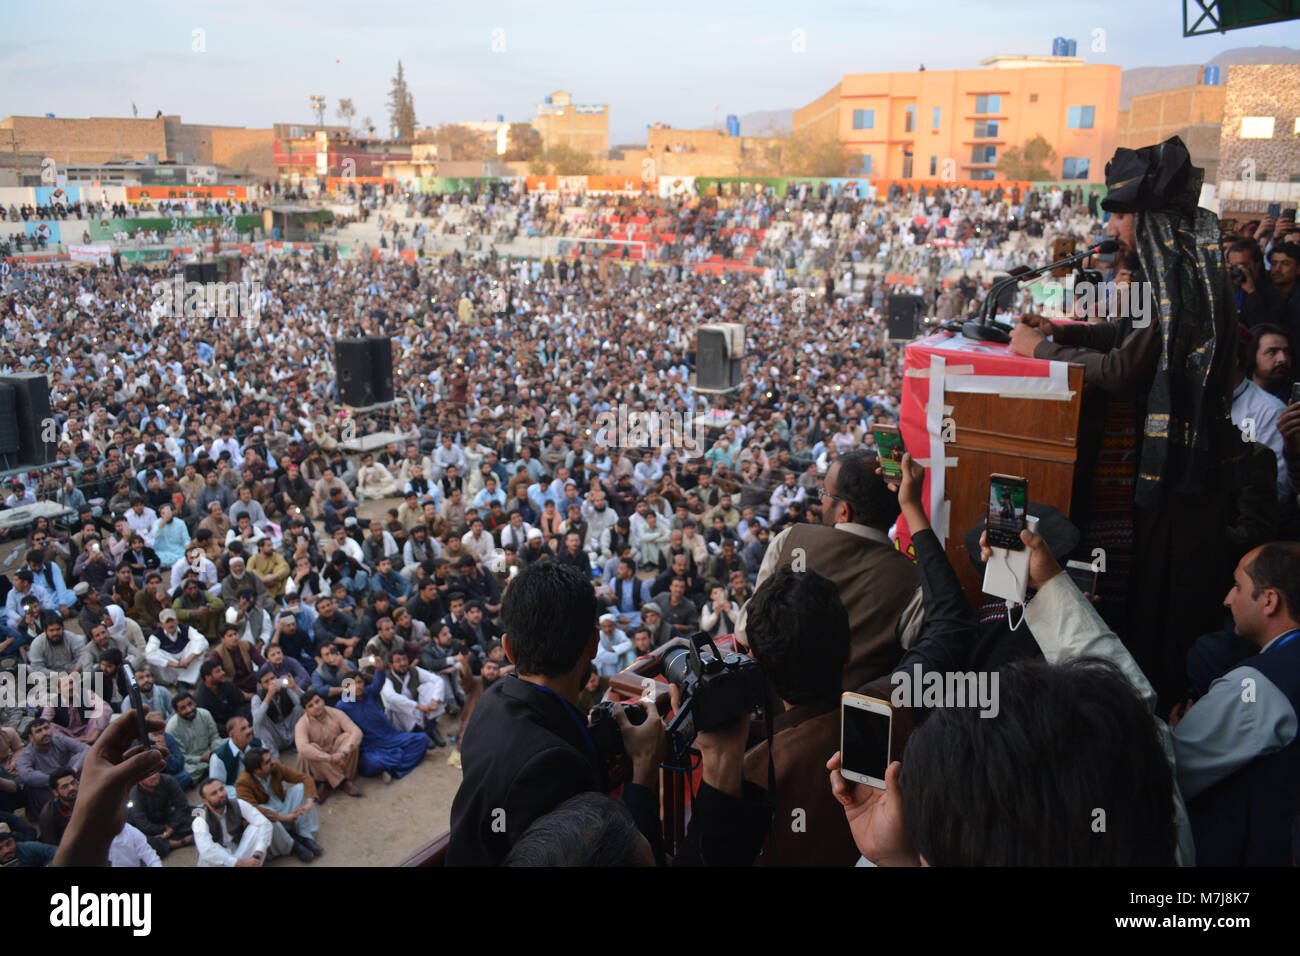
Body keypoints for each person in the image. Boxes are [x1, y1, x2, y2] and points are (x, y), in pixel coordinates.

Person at [447, 561, 668, 866]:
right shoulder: (549, 767)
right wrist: (644, 769)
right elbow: (609, 854)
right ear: (593, 644)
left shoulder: (492, 699)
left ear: (508, 650)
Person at [738, 450, 921, 691]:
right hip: (856, 723)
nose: (821, 500)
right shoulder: (913, 581)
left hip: (778, 717)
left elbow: (745, 631)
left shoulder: (790, 541)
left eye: (825, 493)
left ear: (844, 511)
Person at [1170, 541, 1300, 866]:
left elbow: (1171, 772)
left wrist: (1178, 733)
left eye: (1238, 586)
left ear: (1269, 600)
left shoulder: (1259, 686)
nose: (1228, 599)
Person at [336, 663, 430, 781]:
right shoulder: (343, 706)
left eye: (359, 682)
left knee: (422, 739)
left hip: (391, 737)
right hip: (370, 746)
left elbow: (379, 681)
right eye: (352, 684)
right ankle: (398, 757)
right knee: (372, 763)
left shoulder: (370, 693)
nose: (357, 686)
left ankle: (394, 769)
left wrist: (380, 668)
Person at [236, 746, 323, 862]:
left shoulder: (275, 767)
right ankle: (293, 846)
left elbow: (305, 778)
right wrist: (283, 817)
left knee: (300, 789)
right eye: (267, 762)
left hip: (283, 807)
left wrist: (308, 803)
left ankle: (305, 836)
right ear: (257, 771)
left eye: (270, 758)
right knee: (262, 814)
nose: (272, 762)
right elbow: (252, 810)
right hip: (272, 817)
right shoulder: (243, 783)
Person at [293, 689, 364, 799]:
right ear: (305, 710)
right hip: (321, 760)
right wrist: (328, 758)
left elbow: (356, 731)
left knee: (348, 738)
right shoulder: (301, 724)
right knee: (308, 751)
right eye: (310, 706)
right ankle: (342, 782)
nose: (316, 706)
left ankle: (326, 783)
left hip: (338, 756)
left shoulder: (336, 713)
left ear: (323, 701)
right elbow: (302, 747)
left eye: (317, 702)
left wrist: (342, 752)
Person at [191, 777, 275, 867]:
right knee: (207, 855)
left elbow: (264, 823)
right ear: (205, 801)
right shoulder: (200, 818)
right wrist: (239, 863)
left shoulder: (237, 804)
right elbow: (206, 849)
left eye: (221, 789)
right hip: (219, 860)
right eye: (214, 793)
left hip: (239, 851)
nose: (220, 794)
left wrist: (258, 854)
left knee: (257, 827)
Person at [15, 719, 87, 817]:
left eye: (46, 728)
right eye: (39, 731)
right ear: (31, 738)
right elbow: (25, 775)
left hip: (68, 779)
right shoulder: (26, 754)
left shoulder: (59, 740)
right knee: (31, 786)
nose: (45, 733)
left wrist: (74, 769)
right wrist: (54, 780)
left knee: (80, 758)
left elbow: (87, 749)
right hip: (47, 788)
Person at [379, 649, 447, 747]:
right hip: (401, 716)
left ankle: (431, 727)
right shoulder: (386, 678)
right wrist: (418, 706)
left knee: (429, 686)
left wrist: (435, 700)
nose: (403, 663)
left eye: (404, 659)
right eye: (398, 661)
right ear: (391, 665)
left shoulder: (413, 670)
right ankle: (419, 732)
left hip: (420, 710)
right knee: (396, 702)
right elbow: (391, 697)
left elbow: (437, 680)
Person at [127, 769, 194, 857]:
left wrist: (171, 828)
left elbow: (183, 807)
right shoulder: (134, 794)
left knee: (199, 812)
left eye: (155, 772)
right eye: (148, 775)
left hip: (169, 821)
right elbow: (143, 824)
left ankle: (169, 839)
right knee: (138, 841)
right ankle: (177, 843)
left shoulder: (168, 780)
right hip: (152, 830)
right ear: (138, 780)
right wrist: (163, 829)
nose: (154, 776)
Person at [165, 693, 222, 784]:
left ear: (195, 703)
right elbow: (181, 756)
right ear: (176, 711)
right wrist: (201, 759)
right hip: (192, 763)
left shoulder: (204, 714)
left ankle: (208, 769)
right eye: (183, 708)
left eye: (190, 704)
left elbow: (215, 737)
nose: (189, 709)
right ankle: (208, 769)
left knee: (229, 743)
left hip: (210, 752)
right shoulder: (172, 728)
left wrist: (213, 751)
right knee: (185, 773)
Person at [251, 665, 305, 760]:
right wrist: (269, 696)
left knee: (299, 708)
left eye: (273, 678)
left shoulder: (285, 688)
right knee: (259, 724)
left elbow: (305, 703)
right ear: (260, 685)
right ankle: (274, 758)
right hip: (275, 734)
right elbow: (257, 720)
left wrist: (294, 687)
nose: (272, 683)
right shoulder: (257, 698)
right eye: (266, 682)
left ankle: (303, 742)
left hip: (290, 729)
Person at [145, 608, 207, 688]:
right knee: (153, 654)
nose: (171, 624)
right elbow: (149, 655)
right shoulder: (156, 636)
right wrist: (175, 665)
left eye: (172, 621)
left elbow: (201, 640)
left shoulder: (185, 629)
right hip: (171, 665)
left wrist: (189, 659)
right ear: (162, 624)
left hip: (186, 661)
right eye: (167, 622)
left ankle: (187, 680)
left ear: (177, 621)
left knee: (201, 643)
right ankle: (178, 681)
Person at [208, 716, 261, 799]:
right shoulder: (218, 757)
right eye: (243, 729)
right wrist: (243, 791)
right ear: (232, 735)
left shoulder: (257, 743)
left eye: (248, 726)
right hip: (238, 793)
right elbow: (217, 786)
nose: (249, 731)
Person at [194, 660, 252, 727]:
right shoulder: (201, 698)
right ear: (208, 677)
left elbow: (239, 704)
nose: (223, 673)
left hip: (236, 719)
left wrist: (238, 722)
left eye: (222, 670)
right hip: (221, 728)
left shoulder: (227, 685)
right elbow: (209, 723)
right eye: (218, 671)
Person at [37, 766, 79, 846]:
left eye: (73, 783)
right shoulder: (48, 815)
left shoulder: (87, 798)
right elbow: (52, 846)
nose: (72, 788)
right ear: (55, 792)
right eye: (65, 786)